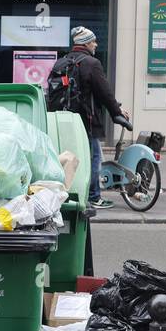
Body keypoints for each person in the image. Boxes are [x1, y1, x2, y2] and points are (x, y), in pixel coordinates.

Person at [47, 26, 131, 207]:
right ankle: (94, 197)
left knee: (66, 156)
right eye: (93, 41)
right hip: (86, 120)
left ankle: (66, 193)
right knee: (92, 158)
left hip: (63, 121)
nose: (96, 44)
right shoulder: (92, 64)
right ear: (86, 43)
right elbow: (105, 93)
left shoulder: (61, 62)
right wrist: (117, 112)